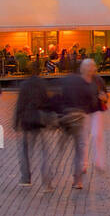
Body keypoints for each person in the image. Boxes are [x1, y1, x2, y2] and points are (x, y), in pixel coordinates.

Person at [57, 62, 103, 190]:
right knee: (79, 149)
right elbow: (92, 101)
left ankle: (52, 176)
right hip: (80, 117)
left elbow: (58, 98)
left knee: (61, 148)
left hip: (66, 116)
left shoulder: (65, 81)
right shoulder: (85, 83)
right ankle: (77, 180)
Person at [14, 74, 56, 188]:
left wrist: (16, 121)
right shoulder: (42, 84)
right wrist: (52, 120)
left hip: (27, 120)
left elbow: (20, 104)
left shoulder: (24, 85)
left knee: (25, 151)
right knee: (44, 152)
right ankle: (47, 180)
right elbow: (48, 103)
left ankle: (25, 178)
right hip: (40, 120)